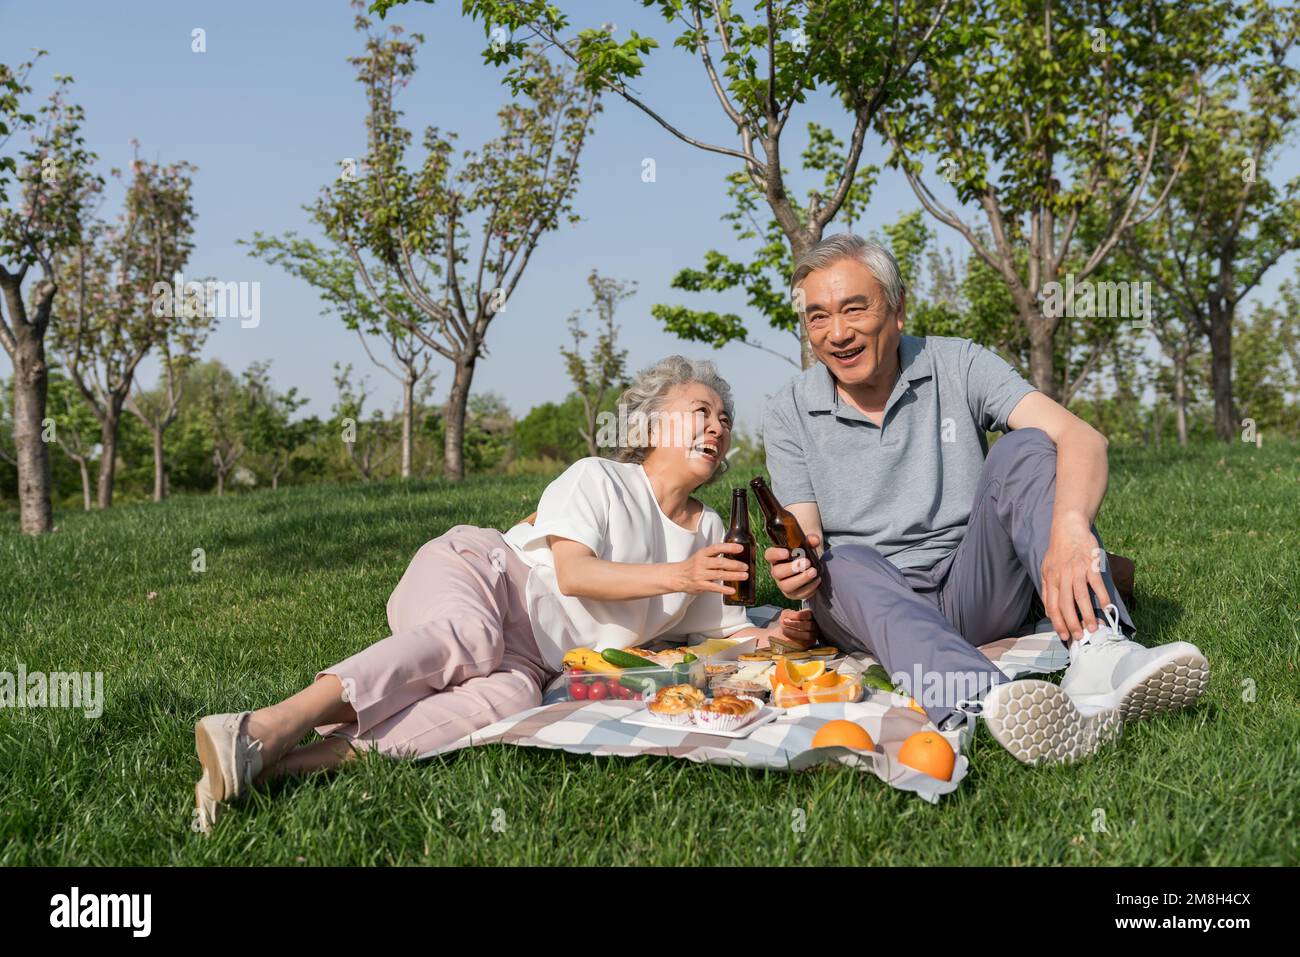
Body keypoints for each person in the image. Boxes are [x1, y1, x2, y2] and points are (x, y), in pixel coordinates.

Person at [192, 355, 815, 831]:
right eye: (700, 411)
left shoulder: (708, 526)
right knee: (471, 637)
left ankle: (274, 772)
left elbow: (719, 627)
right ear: (652, 425)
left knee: (504, 701)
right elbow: (574, 574)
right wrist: (677, 575)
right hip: (483, 574)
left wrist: (776, 633)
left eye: (725, 419)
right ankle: (265, 728)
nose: (718, 426)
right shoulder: (599, 478)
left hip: (534, 659)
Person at [762, 233, 1208, 765]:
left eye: (855, 309)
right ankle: (989, 700)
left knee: (1028, 445)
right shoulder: (789, 410)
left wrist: (1069, 529)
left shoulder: (958, 363)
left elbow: (1083, 439)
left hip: (974, 588)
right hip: (875, 600)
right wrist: (797, 568)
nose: (837, 333)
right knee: (839, 560)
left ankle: (1101, 651)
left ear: (899, 310)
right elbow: (804, 539)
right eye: (817, 317)